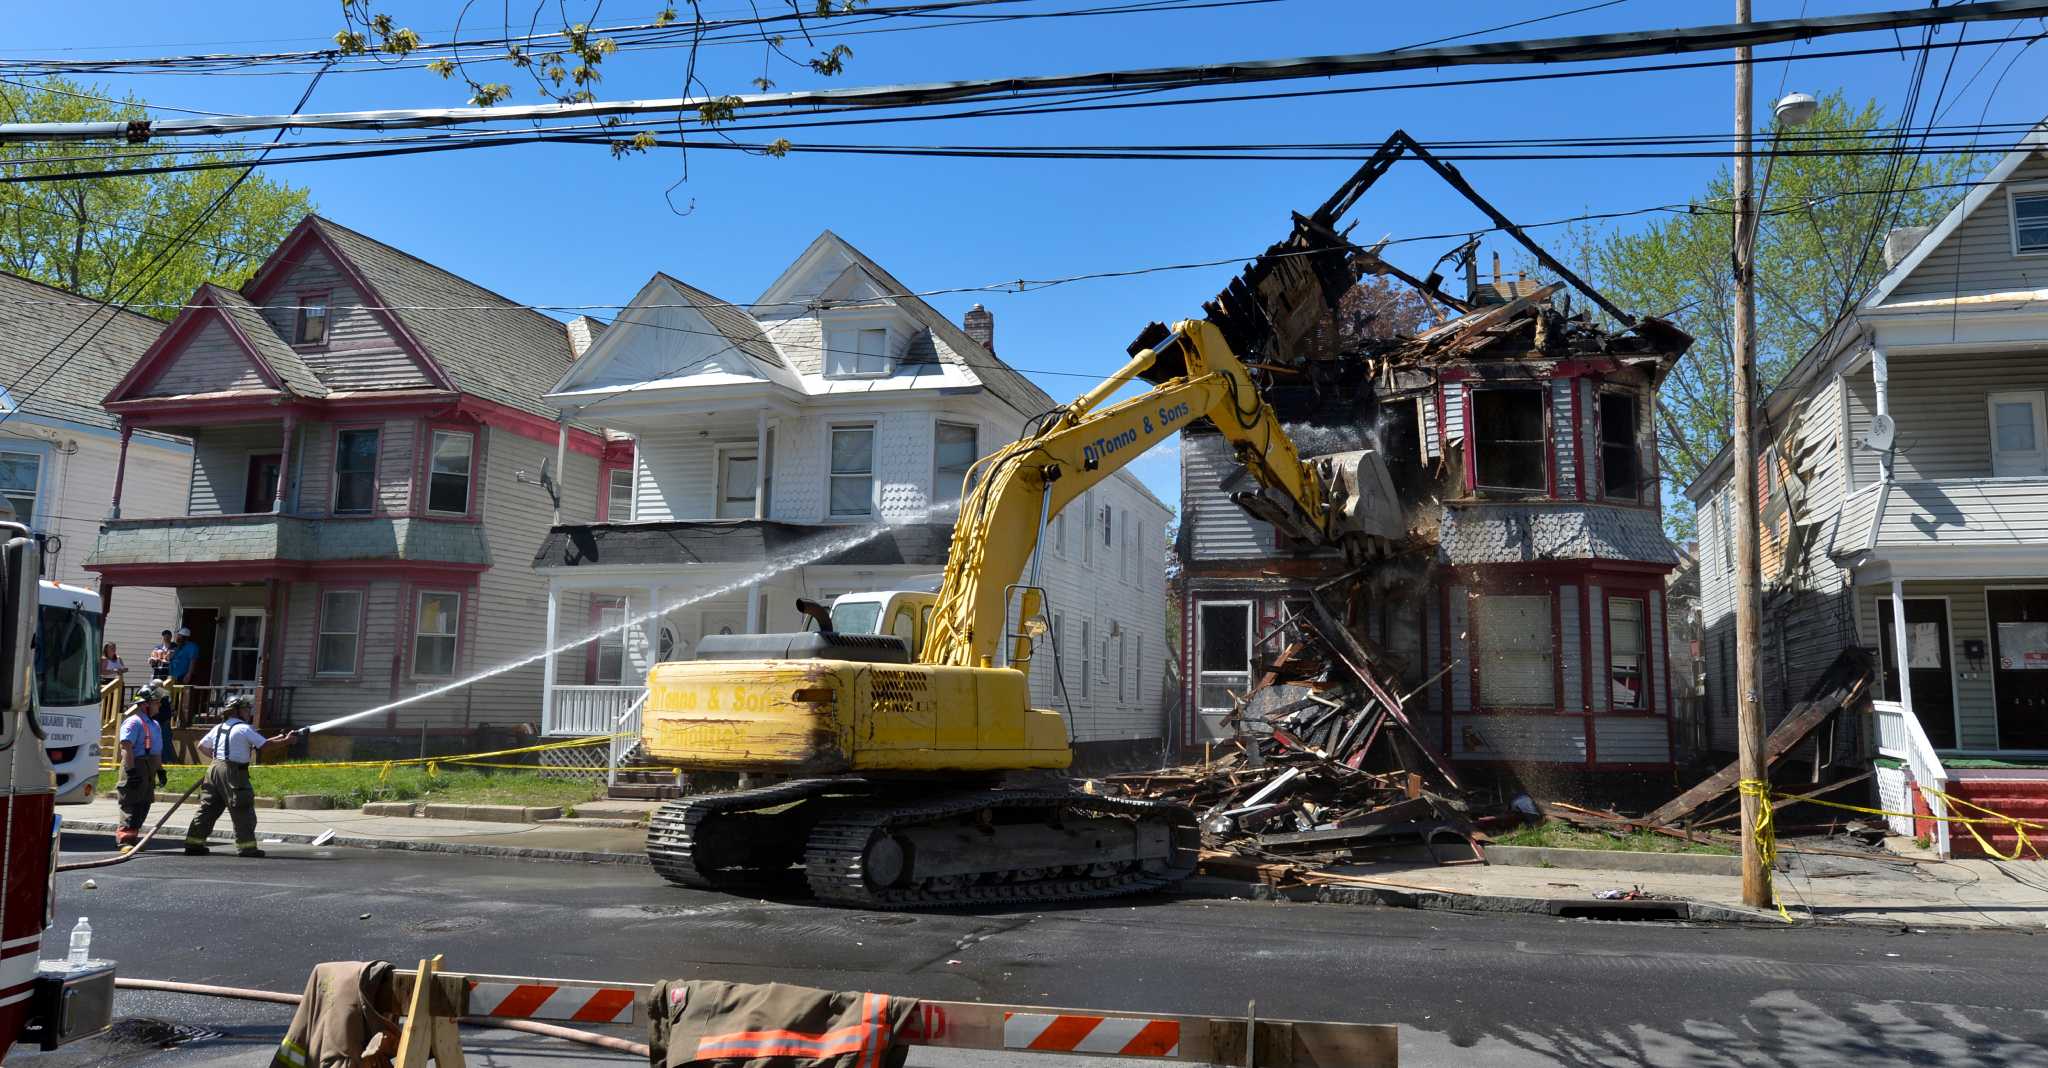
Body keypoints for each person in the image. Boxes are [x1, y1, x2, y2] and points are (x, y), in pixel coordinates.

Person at [183, 695, 298, 858]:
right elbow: (264, 746)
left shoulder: (220, 727)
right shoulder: (244, 728)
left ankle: (193, 844)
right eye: (246, 708)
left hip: (214, 769)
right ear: (238, 711)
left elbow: (202, 746)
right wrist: (287, 741)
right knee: (242, 808)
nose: (248, 711)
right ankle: (247, 848)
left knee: (208, 808)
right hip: (234, 773)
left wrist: (219, 759)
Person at [114, 682, 166, 848]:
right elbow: (126, 747)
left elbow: (156, 752)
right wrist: (131, 771)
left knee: (144, 803)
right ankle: (124, 841)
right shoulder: (133, 723)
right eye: (157, 702)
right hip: (135, 764)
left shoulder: (155, 725)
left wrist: (160, 770)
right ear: (145, 705)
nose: (159, 705)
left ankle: (133, 837)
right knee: (130, 803)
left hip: (148, 767)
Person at [165, 627, 200, 727]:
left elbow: (193, 661)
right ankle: (173, 719)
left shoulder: (192, 647)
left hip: (183, 676)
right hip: (173, 677)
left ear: (184, 637)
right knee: (172, 699)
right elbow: (170, 659)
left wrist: (189, 674)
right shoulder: (177, 647)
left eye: (179, 636)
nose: (177, 637)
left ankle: (184, 720)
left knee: (184, 699)